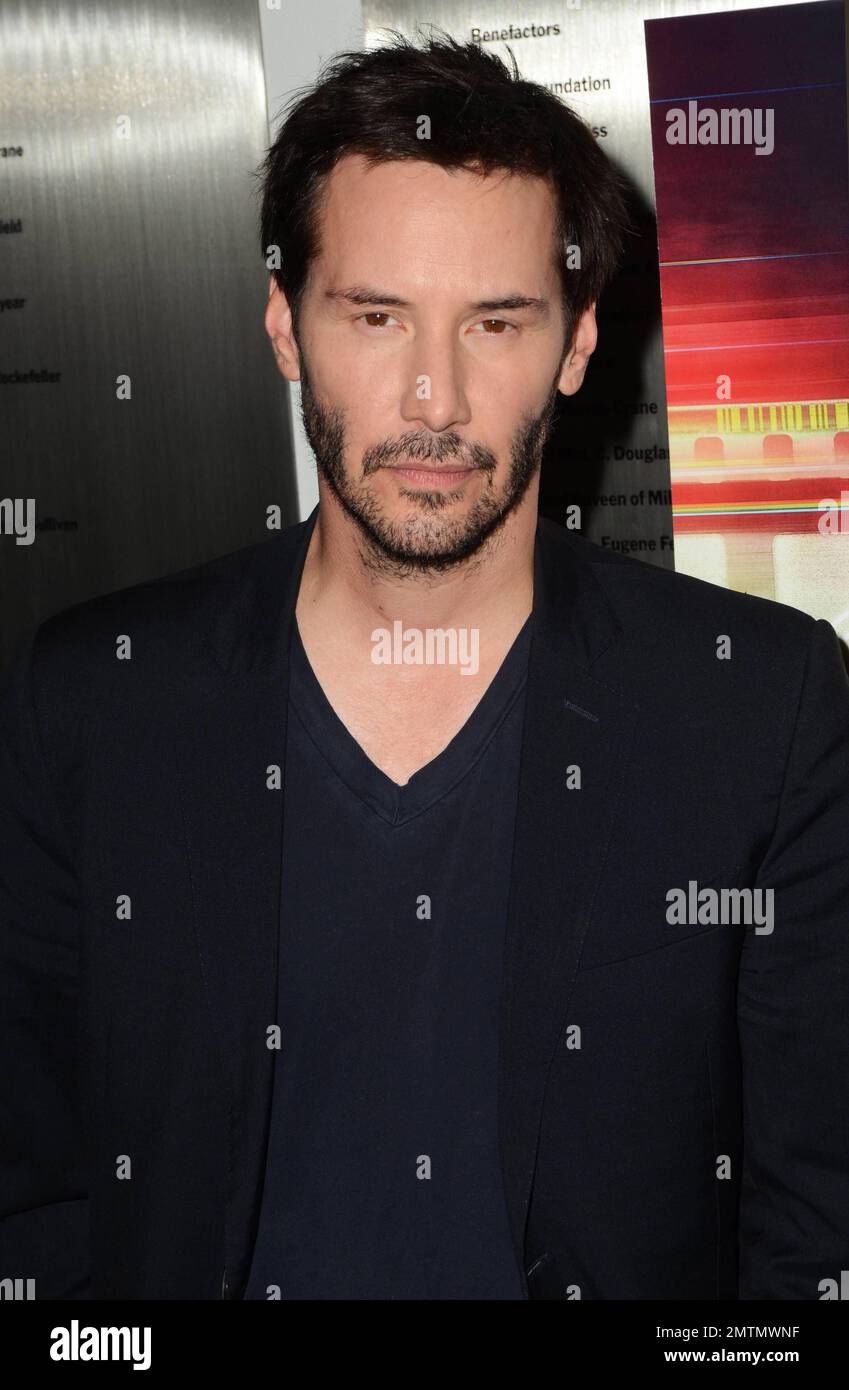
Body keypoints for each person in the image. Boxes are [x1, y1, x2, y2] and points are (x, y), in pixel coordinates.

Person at [1, 32, 848, 1302]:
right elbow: (38, 1191)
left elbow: (813, 1225)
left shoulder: (761, 709)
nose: (434, 395)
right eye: (377, 314)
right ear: (286, 321)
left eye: (496, 321)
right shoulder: (91, 700)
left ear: (575, 345)